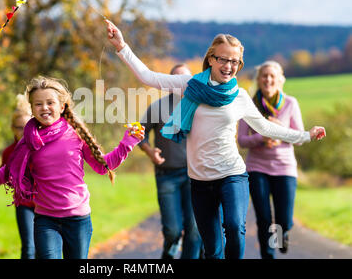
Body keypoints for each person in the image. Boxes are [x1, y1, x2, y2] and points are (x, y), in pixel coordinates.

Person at [104, 19, 326, 259]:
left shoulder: (239, 96)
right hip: (200, 180)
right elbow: (148, 77)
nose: (229, 66)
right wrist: (122, 46)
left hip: (232, 174)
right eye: (223, 59)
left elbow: (265, 128)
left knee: (233, 226)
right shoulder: (189, 85)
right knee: (212, 250)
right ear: (211, 58)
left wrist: (305, 135)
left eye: (234, 61)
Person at [0, 76, 144, 259]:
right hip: (46, 220)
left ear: (61, 106)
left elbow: (102, 166)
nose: (44, 107)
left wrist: (127, 142)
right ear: (32, 109)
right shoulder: (29, 140)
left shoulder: (75, 134)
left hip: (78, 219)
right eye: (38, 104)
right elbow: (9, 170)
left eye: (50, 102)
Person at [237, 60, 303, 258]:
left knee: (284, 219)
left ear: (280, 80)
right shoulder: (248, 105)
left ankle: (283, 235)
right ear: (258, 80)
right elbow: (241, 140)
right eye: (264, 76)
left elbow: (299, 137)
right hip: (257, 168)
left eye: (272, 76)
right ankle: (268, 255)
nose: (268, 79)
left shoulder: (290, 103)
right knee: (264, 218)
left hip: (284, 168)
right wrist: (262, 137)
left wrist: (278, 130)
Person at [138, 63, 203, 259]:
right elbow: (139, 134)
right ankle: (169, 253)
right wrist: (150, 152)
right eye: (175, 78)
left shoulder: (201, 107)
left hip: (196, 176)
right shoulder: (157, 107)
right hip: (167, 176)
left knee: (194, 230)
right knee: (173, 230)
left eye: (184, 78)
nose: (180, 83)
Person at [1, 94, 35, 259]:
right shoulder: (9, 152)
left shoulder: (40, 147)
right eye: (19, 127)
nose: (23, 131)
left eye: (27, 126)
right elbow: (3, 175)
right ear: (12, 128)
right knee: (29, 247)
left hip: (46, 204)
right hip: (24, 205)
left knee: (45, 249)